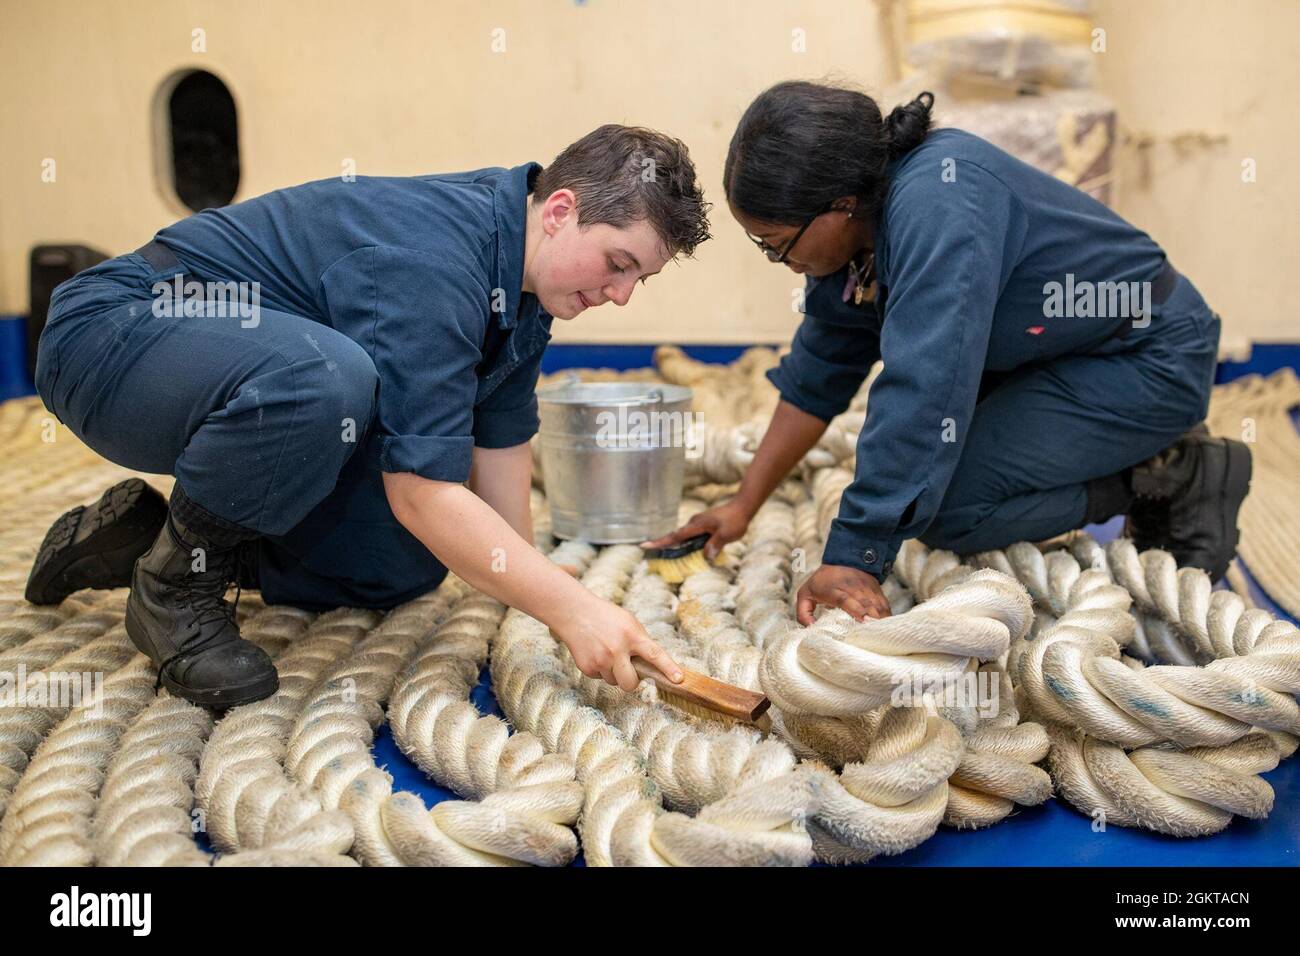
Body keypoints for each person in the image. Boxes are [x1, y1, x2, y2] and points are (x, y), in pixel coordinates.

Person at [29, 125, 708, 707]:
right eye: (617, 264)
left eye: (636, 280)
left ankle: (153, 535)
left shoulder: (527, 284)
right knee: (327, 381)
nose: (620, 296)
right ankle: (173, 588)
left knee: (400, 564)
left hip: (235, 372)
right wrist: (575, 611)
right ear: (559, 210)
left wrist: (537, 590)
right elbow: (421, 492)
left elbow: (498, 444)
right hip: (113, 336)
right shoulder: (434, 262)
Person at [645, 81, 1250, 626]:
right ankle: (1140, 464)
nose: (781, 263)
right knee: (922, 484)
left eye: (778, 245)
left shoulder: (940, 202)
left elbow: (925, 387)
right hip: (1058, 357)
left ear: (840, 205)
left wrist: (853, 558)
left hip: (1147, 356)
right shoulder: (855, 231)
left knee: (948, 507)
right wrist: (745, 503)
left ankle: (1167, 477)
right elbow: (817, 376)